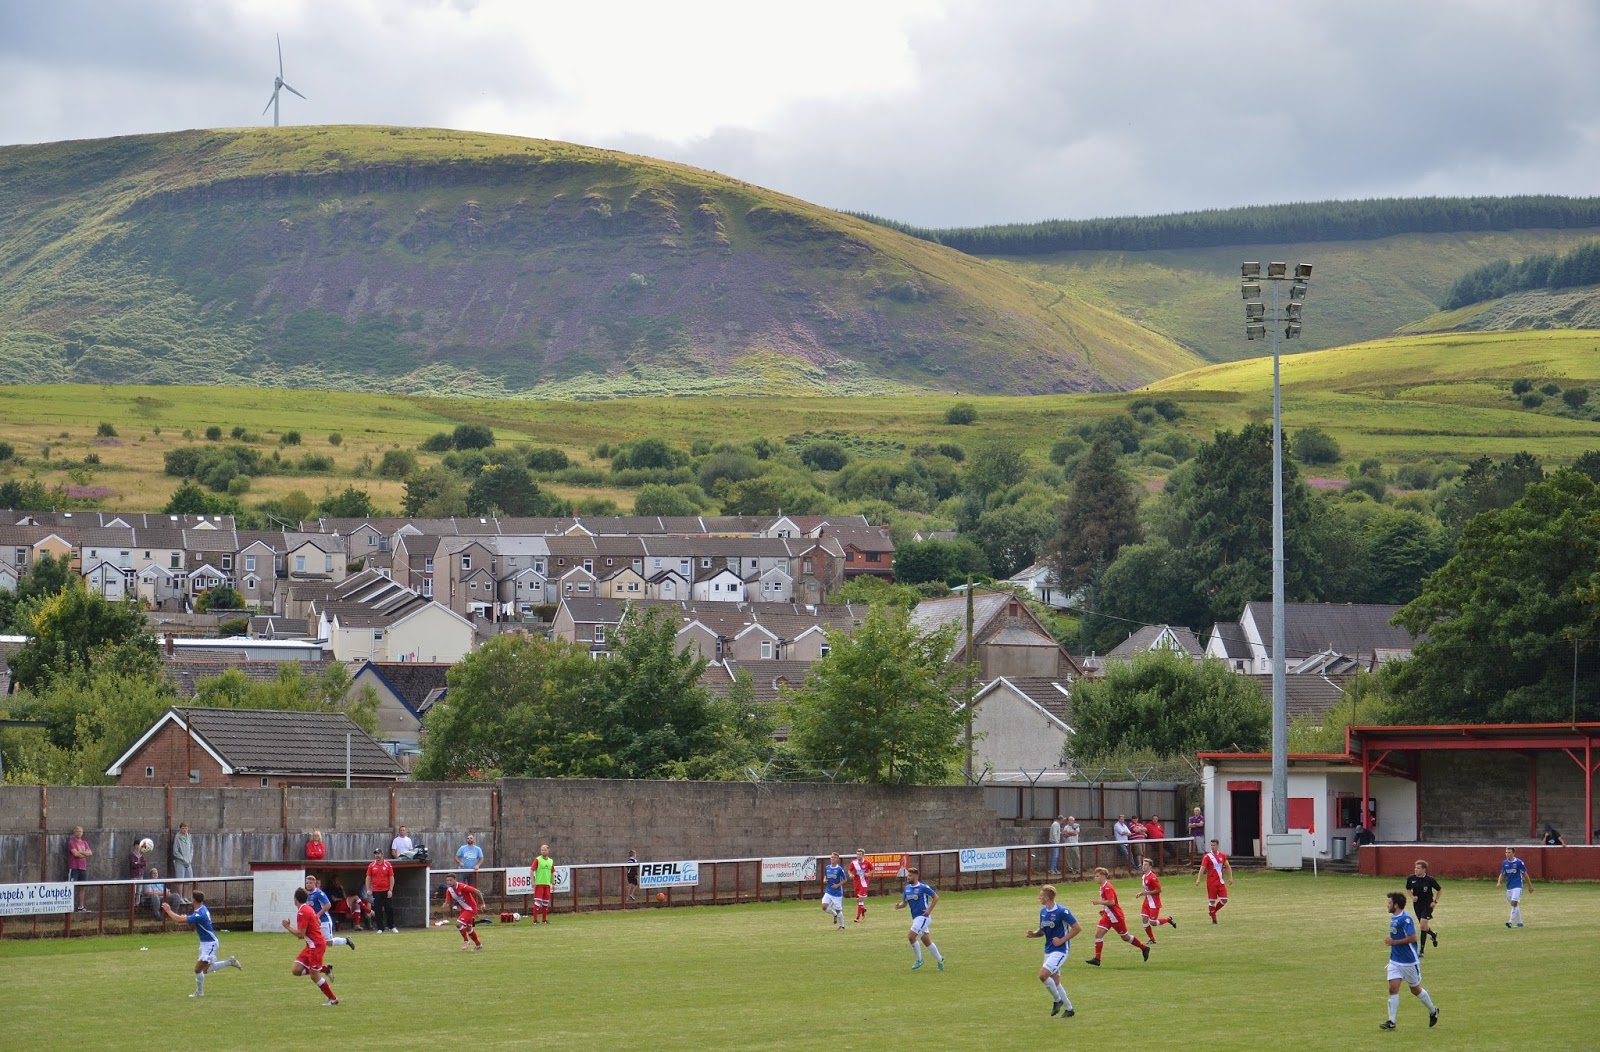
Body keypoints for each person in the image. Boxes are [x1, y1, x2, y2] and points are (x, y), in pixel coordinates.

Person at [161, 891, 241, 998]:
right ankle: (229, 962)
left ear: (193, 900)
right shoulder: (202, 909)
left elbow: (179, 920)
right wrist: (187, 917)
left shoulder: (200, 914)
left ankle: (199, 992)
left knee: (197, 969)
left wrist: (168, 910)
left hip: (210, 943)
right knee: (205, 969)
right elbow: (193, 917)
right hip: (205, 944)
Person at [1380, 890, 1440, 1031]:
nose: (1387, 905)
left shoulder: (1405, 919)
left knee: (1415, 990)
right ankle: (1391, 1021)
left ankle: (1433, 1011)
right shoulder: (1394, 917)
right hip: (1395, 960)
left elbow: (1413, 938)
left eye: (1389, 903)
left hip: (1409, 961)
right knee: (1392, 989)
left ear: (1396, 905)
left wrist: (1394, 942)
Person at [1025, 884, 1081, 1018]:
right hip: (1048, 950)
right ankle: (1069, 1009)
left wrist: (1062, 940)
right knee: (1055, 982)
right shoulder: (1043, 911)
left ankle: (1058, 1000)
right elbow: (1042, 931)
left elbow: (1077, 928)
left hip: (1061, 950)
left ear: (1048, 897)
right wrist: (1034, 934)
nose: (1039, 898)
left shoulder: (1062, 911)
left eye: (1041, 895)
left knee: (1043, 975)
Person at [283, 886, 338, 1006]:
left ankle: (333, 999)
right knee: (296, 970)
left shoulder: (302, 912)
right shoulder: (308, 908)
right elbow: (317, 922)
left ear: (295, 899)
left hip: (316, 946)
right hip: (311, 945)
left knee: (314, 975)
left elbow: (300, 934)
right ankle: (324, 968)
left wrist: (287, 927)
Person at [1085, 866, 1149, 965]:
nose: (1095, 878)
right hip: (1108, 916)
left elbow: (1111, 902)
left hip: (1116, 917)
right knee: (1098, 934)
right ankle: (1097, 959)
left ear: (1103, 876)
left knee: (1125, 937)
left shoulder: (1107, 887)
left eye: (1097, 876)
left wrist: (1098, 902)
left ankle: (1144, 948)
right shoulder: (1103, 887)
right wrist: (1104, 910)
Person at [894, 867, 945, 971]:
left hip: (923, 917)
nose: (908, 877)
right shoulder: (907, 888)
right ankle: (940, 959)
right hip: (916, 918)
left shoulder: (923, 887)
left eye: (910, 875)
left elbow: (936, 897)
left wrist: (929, 910)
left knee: (911, 936)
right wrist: (899, 906)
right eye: (908, 875)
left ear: (916, 876)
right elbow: (905, 903)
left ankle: (919, 960)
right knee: (926, 941)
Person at [306, 875, 355, 953]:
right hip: (314, 921)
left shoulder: (319, 893)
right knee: (313, 940)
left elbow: (328, 905)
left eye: (310, 883)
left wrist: (318, 915)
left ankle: (346, 940)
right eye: (307, 883)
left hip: (324, 920)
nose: (308, 884)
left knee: (329, 942)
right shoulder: (306, 895)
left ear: (314, 884)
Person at [1405, 860, 1442, 955]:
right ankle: (1433, 934)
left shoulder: (1429, 879)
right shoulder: (1411, 878)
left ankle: (1421, 951)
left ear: (1424, 869)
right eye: (1415, 868)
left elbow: (1439, 890)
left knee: (1422, 925)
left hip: (1428, 905)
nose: (1416, 870)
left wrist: (1435, 902)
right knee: (1424, 927)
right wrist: (1412, 897)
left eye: (1418, 868)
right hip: (1417, 905)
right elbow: (1408, 889)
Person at [1138, 857, 1176, 943]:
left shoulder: (1153, 877)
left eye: (1145, 865)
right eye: (1143, 864)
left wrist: (1147, 893)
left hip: (1154, 902)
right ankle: (1152, 939)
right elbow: (1145, 889)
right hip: (1147, 901)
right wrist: (1141, 893)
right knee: (1144, 918)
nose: (1143, 866)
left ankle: (1168, 920)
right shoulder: (1144, 877)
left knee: (1153, 922)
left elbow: (1159, 890)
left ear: (1150, 866)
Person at [442, 874, 483, 950]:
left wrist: (482, 903)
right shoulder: (449, 890)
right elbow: (447, 900)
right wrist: (445, 904)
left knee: (458, 924)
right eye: (447, 880)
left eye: (451, 880)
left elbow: (477, 891)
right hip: (464, 909)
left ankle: (466, 941)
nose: (449, 882)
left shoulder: (462, 887)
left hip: (471, 908)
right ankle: (478, 944)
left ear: (455, 880)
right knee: (468, 928)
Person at [1195, 839, 1232, 923]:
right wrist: (1198, 879)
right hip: (1211, 883)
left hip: (1220, 882)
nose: (1212, 847)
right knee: (1212, 901)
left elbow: (1227, 866)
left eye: (1214, 845)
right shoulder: (1207, 857)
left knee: (1224, 899)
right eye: (1211, 845)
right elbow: (1202, 868)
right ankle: (1214, 920)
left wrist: (1230, 877)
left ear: (1217, 845)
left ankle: (1213, 911)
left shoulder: (1222, 856)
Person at [1495, 846, 1529, 928]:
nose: (1507, 854)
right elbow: (1502, 873)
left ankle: (1510, 922)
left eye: (1509, 852)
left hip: (1517, 886)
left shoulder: (1519, 863)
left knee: (1514, 903)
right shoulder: (1505, 863)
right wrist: (1499, 882)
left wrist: (1530, 885)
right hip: (1509, 887)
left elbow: (1525, 874)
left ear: (1513, 853)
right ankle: (1520, 922)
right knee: (1514, 905)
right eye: (1506, 852)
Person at [367, 847, 397, 932]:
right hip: (376, 891)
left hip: (386, 890)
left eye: (378, 853)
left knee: (389, 908)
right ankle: (380, 928)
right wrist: (368, 888)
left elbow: (391, 878)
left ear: (382, 854)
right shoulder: (371, 865)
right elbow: (368, 877)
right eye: (376, 854)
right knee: (378, 909)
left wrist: (390, 889)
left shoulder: (388, 865)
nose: (377, 855)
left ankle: (391, 926)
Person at [820, 852, 848, 930]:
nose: (833, 859)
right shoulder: (827, 867)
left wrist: (838, 885)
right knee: (824, 906)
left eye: (835, 857)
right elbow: (825, 877)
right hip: (828, 891)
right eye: (832, 857)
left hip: (837, 893)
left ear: (837, 859)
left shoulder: (839, 869)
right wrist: (824, 880)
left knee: (839, 910)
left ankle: (842, 926)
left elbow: (845, 879)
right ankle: (834, 914)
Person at [67, 826, 93, 909]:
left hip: (83, 868)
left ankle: (80, 906)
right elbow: (75, 854)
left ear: (82, 833)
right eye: (77, 831)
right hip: (74, 868)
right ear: (74, 832)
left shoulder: (85, 843)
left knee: (82, 887)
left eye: (80, 831)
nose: (79, 833)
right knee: (71, 886)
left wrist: (80, 852)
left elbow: (90, 853)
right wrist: (84, 853)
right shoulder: (72, 842)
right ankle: (69, 905)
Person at [532, 843, 555, 923]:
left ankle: (544, 920)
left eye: (545, 850)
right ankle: (535, 920)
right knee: (538, 901)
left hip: (547, 884)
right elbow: (532, 870)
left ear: (548, 850)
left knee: (545, 902)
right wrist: (533, 881)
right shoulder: (537, 859)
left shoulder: (551, 861)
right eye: (542, 850)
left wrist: (553, 883)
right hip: (539, 884)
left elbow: (552, 873)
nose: (543, 851)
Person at [848, 848, 873, 922]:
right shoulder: (854, 863)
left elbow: (873, 870)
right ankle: (862, 909)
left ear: (863, 855)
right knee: (858, 900)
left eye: (860, 854)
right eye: (857, 854)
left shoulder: (867, 863)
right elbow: (849, 870)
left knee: (860, 900)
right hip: (856, 883)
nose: (858, 856)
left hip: (864, 884)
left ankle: (857, 918)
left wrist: (868, 874)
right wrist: (850, 874)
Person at [171, 822, 195, 893]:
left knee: (188, 880)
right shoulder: (177, 837)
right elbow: (175, 851)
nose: (184, 830)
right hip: (180, 862)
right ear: (180, 829)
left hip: (188, 862)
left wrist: (190, 859)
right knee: (180, 880)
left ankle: (185, 896)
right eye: (183, 828)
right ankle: (180, 897)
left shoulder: (189, 836)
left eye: (186, 828)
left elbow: (191, 848)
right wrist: (182, 859)